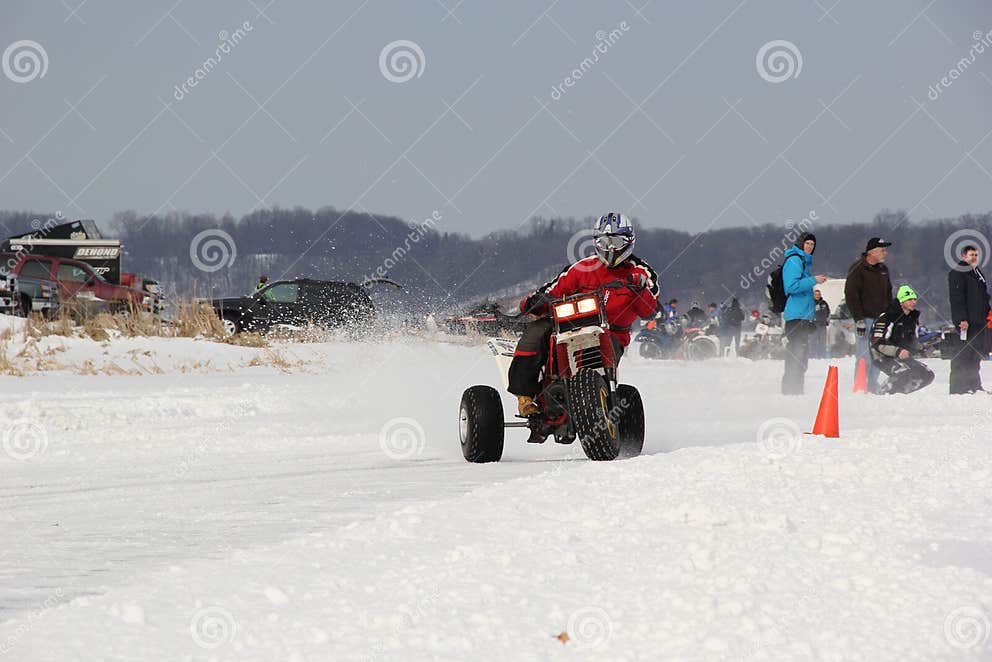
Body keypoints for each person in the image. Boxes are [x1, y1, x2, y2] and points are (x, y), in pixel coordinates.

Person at [507, 213, 660, 427]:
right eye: (604, 242)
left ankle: (607, 398)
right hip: (568, 326)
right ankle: (525, 396)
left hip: (611, 333)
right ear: (596, 242)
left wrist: (639, 288)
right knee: (536, 331)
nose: (610, 248)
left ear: (629, 242)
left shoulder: (641, 272)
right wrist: (536, 301)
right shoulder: (583, 268)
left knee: (604, 357)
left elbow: (651, 311)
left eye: (616, 242)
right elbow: (553, 290)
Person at [781, 232, 828, 395]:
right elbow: (791, 286)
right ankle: (791, 390)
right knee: (796, 355)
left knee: (800, 357)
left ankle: (795, 389)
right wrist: (813, 280)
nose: (809, 247)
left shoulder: (804, 262)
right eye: (807, 243)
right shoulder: (795, 260)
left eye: (812, 245)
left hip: (803, 316)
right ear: (801, 244)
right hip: (796, 317)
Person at [844, 237, 893, 393]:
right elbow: (851, 295)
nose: (885, 252)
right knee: (864, 355)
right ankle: (861, 385)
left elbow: (888, 293)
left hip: (881, 319)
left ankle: (872, 385)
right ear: (872, 252)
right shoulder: (858, 268)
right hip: (865, 319)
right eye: (882, 250)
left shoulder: (883, 269)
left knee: (878, 354)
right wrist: (858, 319)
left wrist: (889, 315)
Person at [870, 285, 934, 394]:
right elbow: (877, 344)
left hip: (902, 355)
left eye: (914, 299)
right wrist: (897, 351)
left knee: (927, 374)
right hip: (882, 355)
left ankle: (903, 394)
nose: (913, 302)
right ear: (901, 301)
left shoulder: (912, 318)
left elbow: (912, 339)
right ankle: (883, 394)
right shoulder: (887, 317)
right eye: (909, 299)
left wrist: (922, 349)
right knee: (902, 372)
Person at [947, 244, 991, 394]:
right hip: (967, 323)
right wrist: (961, 319)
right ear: (964, 256)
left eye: (976, 255)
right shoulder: (958, 273)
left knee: (975, 354)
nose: (974, 258)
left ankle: (974, 385)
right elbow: (956, 298)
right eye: (971, 255)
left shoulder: (977, 273)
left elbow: (983, 296)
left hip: (980, 321)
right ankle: (959, 387)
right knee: (963, 354)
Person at [810, 289, 831, 358]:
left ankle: (822, 356)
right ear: (813, 295)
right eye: (816, 294)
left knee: (823, 342)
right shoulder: (811, 303)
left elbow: (828, 312)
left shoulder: (824, 303)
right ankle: (812, 356)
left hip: (822, 325)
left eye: (818, 294)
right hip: (814, 325)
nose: (817, 296)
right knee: (813, 341)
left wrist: (827, 320)